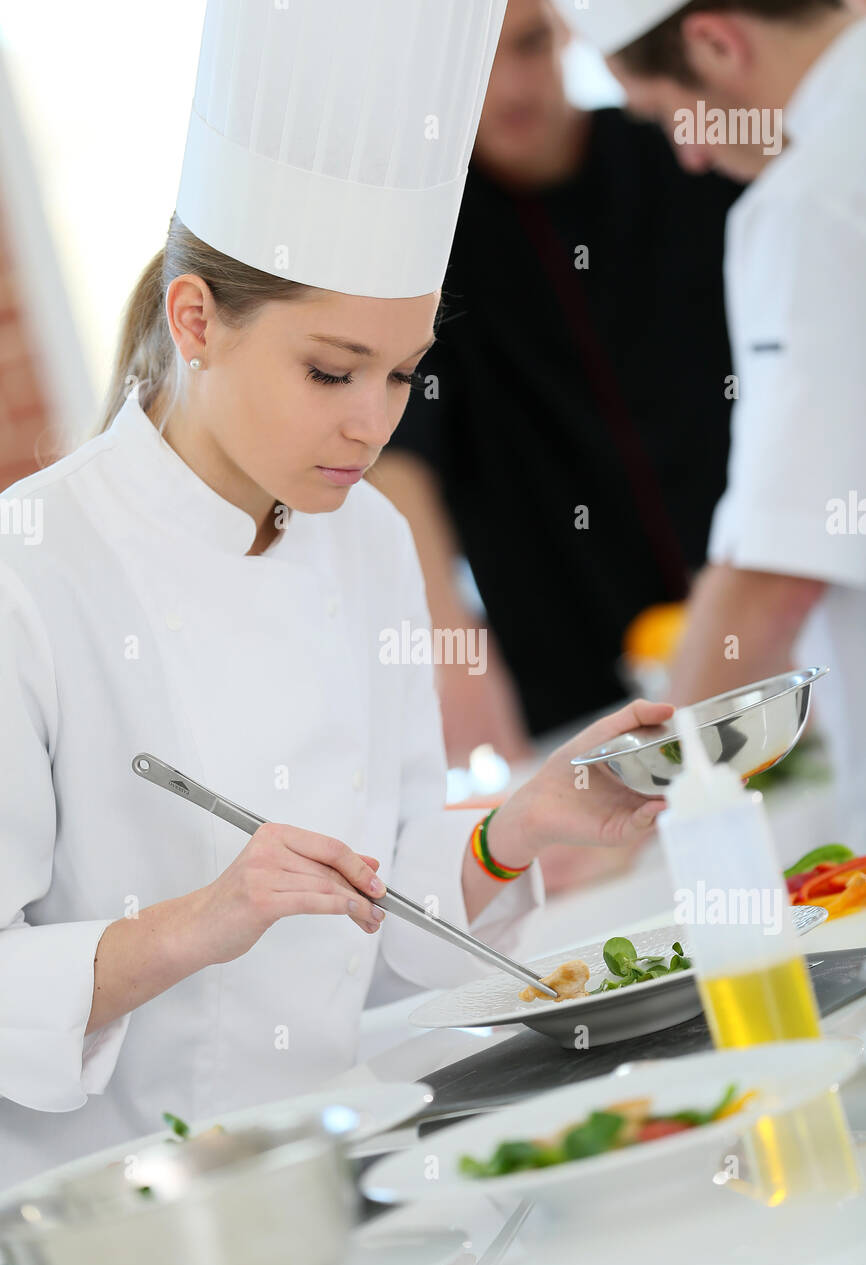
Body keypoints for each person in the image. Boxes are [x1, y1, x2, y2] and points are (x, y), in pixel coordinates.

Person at [0, 0, 673, 1187]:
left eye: (404, 372)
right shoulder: (31, 567)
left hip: (348, 1152)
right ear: (195, 320)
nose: (374, 423)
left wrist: (519, 826)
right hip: (113, 1208)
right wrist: (197, 921)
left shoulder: (362, 538)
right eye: (329, 371)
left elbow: (389, 911)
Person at [371, 0, 740, 767]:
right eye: (475, 69)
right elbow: (397, 456)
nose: (511, 88)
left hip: (767, 638)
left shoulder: (684, 153)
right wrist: (451, 648)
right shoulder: (416, 243)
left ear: (571, 30)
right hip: (574, 700)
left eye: (531, 45)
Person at [564, 0, 866, 845]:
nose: (689, 155)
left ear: (716, 42)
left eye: (667, 115)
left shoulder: (812, 204)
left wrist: (633, 797)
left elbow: (772, 576)